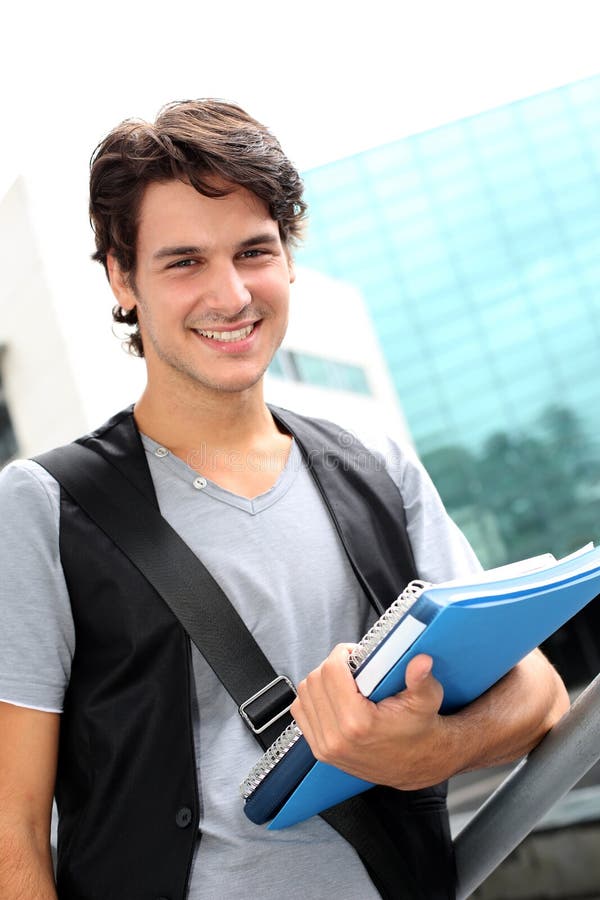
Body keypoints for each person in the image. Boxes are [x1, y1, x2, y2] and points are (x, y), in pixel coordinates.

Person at [0, 99, 569, 900]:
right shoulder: (45, 505)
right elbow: (12, 831)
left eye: (254, 251)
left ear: (289, 257)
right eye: (184, 262)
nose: (231, 294)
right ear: (123, 279)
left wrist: (430, 753)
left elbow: (539, 693)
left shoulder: (378, 470)